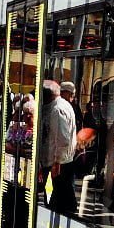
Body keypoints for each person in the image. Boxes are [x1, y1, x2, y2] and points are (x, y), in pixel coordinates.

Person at [39, 78, 78, 213]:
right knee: (52, 198)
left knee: (55, 200)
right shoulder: (58, 106)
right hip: (55, 163)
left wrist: (57, 162)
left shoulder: (57, 109)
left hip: (57, 164)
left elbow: (62, 138)